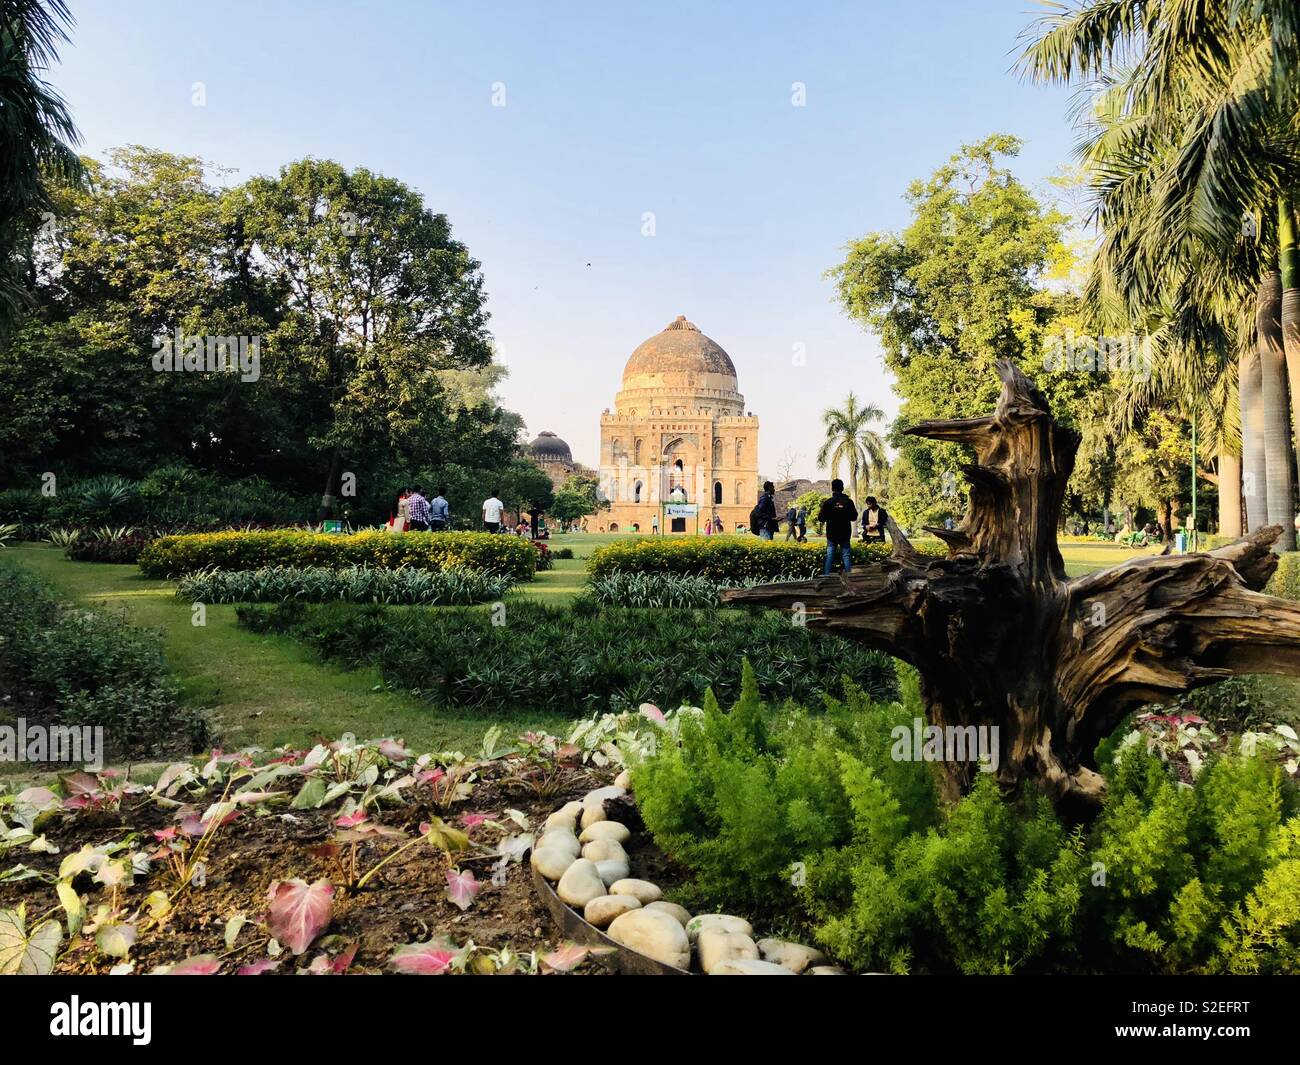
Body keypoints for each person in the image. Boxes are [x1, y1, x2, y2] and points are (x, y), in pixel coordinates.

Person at [817, 479, 858, 575]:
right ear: (842, 488)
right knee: (846, 556)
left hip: (832, 533)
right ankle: (849, 577)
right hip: (845, 533)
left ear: (832, 488)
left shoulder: (828, 502)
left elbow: (821, 518)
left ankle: (826, 577)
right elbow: (854, 517)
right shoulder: (848, 502)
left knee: (830, 555)